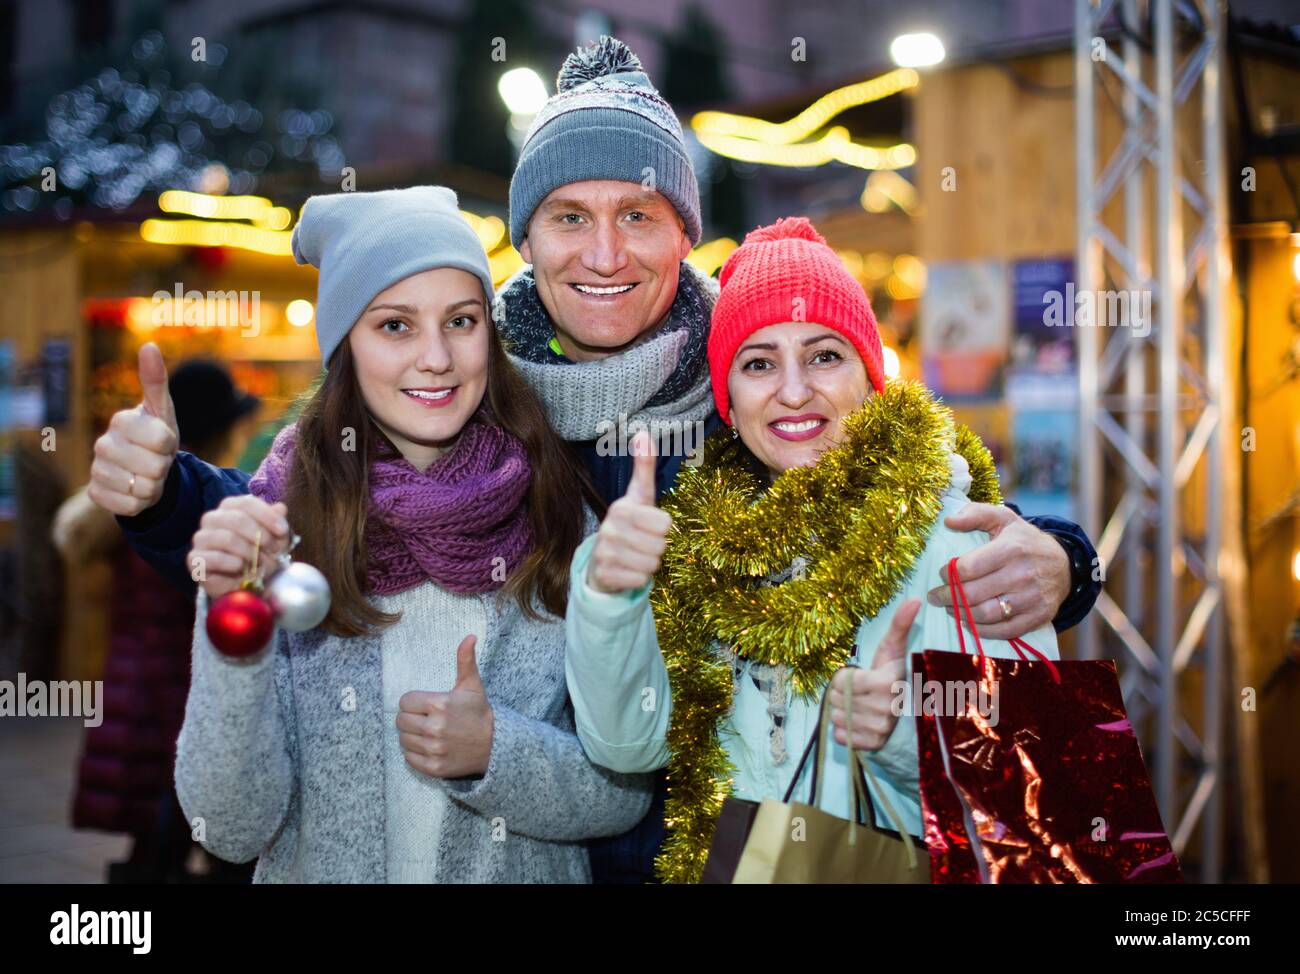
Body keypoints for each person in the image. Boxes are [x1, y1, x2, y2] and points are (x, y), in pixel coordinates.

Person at [87, 36, 1100, 884]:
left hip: (764, 848)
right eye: (571, 216)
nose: (604, 254)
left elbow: (923, 515)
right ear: (528, 235)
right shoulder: (473, 389)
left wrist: (1063, 561)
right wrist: (160, 492)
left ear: (683, 233)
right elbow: (321, 509)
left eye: (638, 215)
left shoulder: (754, 392)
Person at [172, 186, 650, 883]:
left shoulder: (561, 521)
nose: (436, 357)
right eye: (395, 326)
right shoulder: (279, 530)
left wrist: (497, 753)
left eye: (460, 321)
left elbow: (622, 791)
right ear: (346, 348)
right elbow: (233, 826)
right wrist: (227, 620)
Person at [564, 218, 1063, 883]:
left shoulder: (963, 540)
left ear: (871, 376)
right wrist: (608, 596)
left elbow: (1028, 803)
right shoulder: (697, 553)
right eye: (760, 363)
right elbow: (627, 746)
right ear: (731, 409)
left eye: (825, 355)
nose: (794, 391)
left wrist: (898, 733)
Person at [56, 359, 260, 883]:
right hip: (174, 693)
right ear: (218, 430)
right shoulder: (188, 509)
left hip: (134, 683)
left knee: (155, 833)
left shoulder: (132, 503)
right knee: (184, 829)